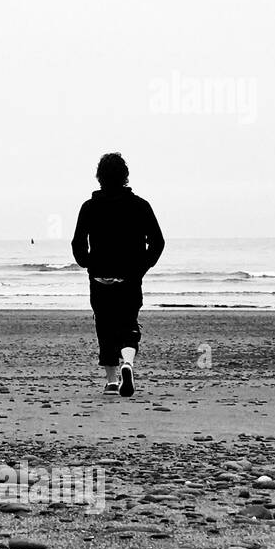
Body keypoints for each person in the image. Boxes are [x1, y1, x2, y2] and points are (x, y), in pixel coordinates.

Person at [70, 153, 165, 397]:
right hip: (129, 278)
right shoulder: (140, 206)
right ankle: (128, 364)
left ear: (99, 177)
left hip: (100, 278)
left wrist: (89, 264)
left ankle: (112, 381)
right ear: (125, 177)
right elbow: (158, 242)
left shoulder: (89, 207)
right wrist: (141, 267)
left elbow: (78, 243)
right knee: (128, 326)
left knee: (104, 327)